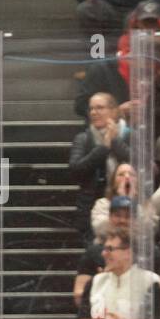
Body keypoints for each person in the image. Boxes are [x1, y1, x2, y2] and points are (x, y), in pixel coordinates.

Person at [68, 92, 131, 240]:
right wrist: (102, 149)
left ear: (114, 111)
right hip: (91, 207)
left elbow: (142, 166)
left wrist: (115, 142)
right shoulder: (83, 139)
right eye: (91, 109)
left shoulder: (130, 135)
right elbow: (75, 171)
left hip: (127, 205)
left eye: (100, 108)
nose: (94, 113)